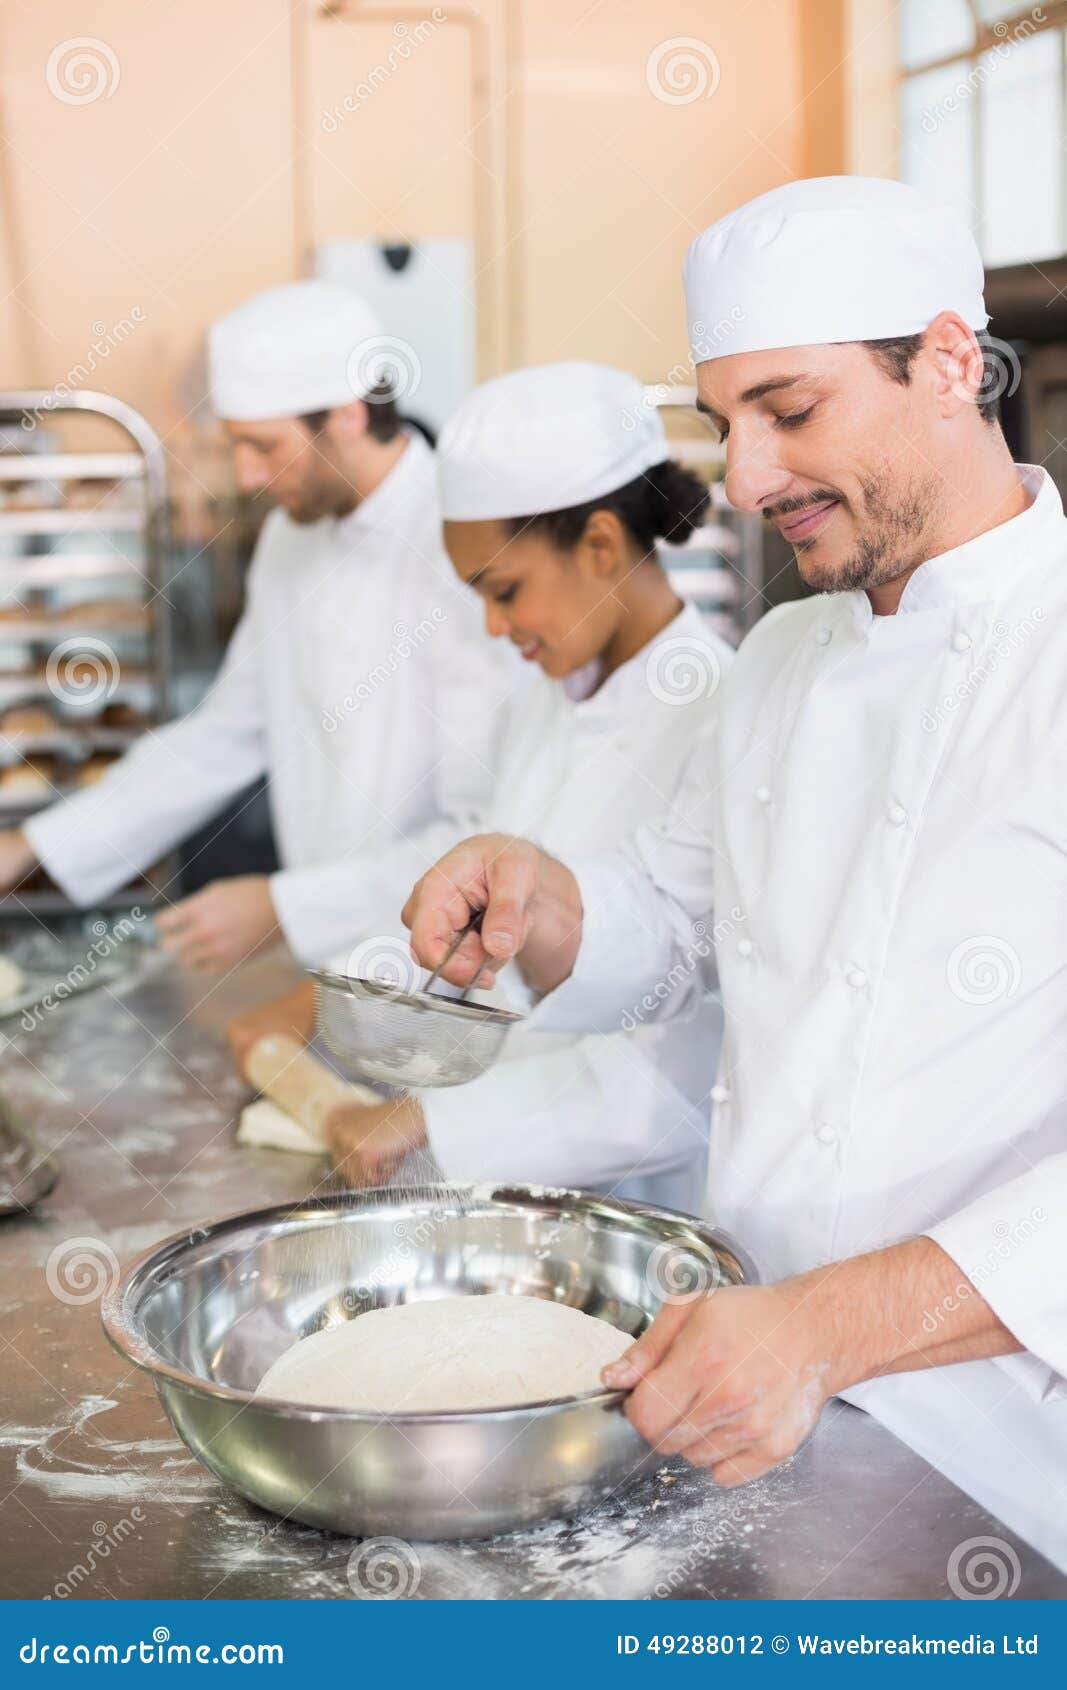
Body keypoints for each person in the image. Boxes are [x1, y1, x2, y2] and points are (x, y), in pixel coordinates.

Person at [401, 178, 1067, 1570]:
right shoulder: (778, 661)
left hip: (1010, 1456)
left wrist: (829, 1324)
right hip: (747, 1400)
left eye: (790, 409)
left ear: (950, 362)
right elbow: (678, 934)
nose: (745, 480)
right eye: (724, 426)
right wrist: (542, 891)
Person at [231, 363, 734, 1208]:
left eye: (505, 591)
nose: (495, 629)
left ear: (601, 544)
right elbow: (485, 925)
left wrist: (441, 1125)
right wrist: (343, 999)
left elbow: (697, 1056)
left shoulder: (721, 716)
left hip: (631, 1205)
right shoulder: (543, 701)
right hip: (492, 1184)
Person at [0, 281, 513, 969]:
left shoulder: (466, 546)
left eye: (264, 448)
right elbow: (227, 733)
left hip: (450, 966)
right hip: (334, 961)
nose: (245, 477)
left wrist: (286, 909)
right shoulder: (289, 540)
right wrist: (33, 846)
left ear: (348, 416)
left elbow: (490, 827)